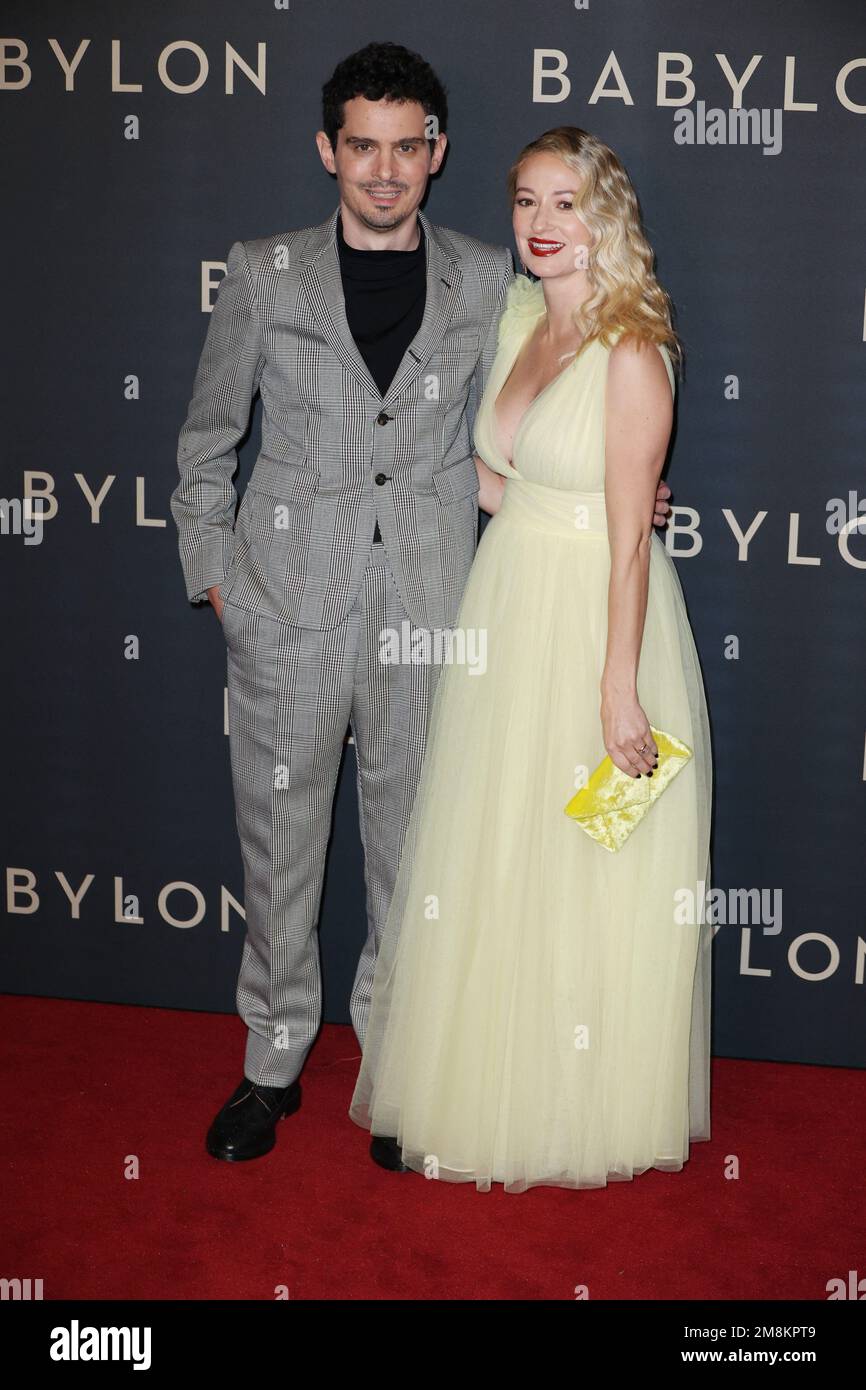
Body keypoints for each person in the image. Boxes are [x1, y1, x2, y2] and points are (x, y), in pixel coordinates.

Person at [170, 42, 671, 1165]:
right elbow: (206, 440)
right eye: (363, 147)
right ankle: (271, 1064)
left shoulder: (491, 275)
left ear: (435, 154)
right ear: (327, 150)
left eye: (407, 148)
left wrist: (610, 485)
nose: (385, 171)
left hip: (435, 613)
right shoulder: (262, 271)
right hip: (286, 611)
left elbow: (546, 411)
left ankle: (398, 1072)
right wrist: (217, 577)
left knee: (416, 859)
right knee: (278, 852)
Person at [350, 127, 713, 1192]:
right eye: (524, 202)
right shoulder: (515, 321)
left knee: (584, 866)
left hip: (600, 625)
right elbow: (494, 481)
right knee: (493, 850)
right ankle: (478, 1087)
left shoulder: (632, 349)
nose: (541, 225)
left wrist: (617, 691)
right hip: (504, 604)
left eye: (565, 203)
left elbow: (627, 546)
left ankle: (572, 1104)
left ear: (605, 217)